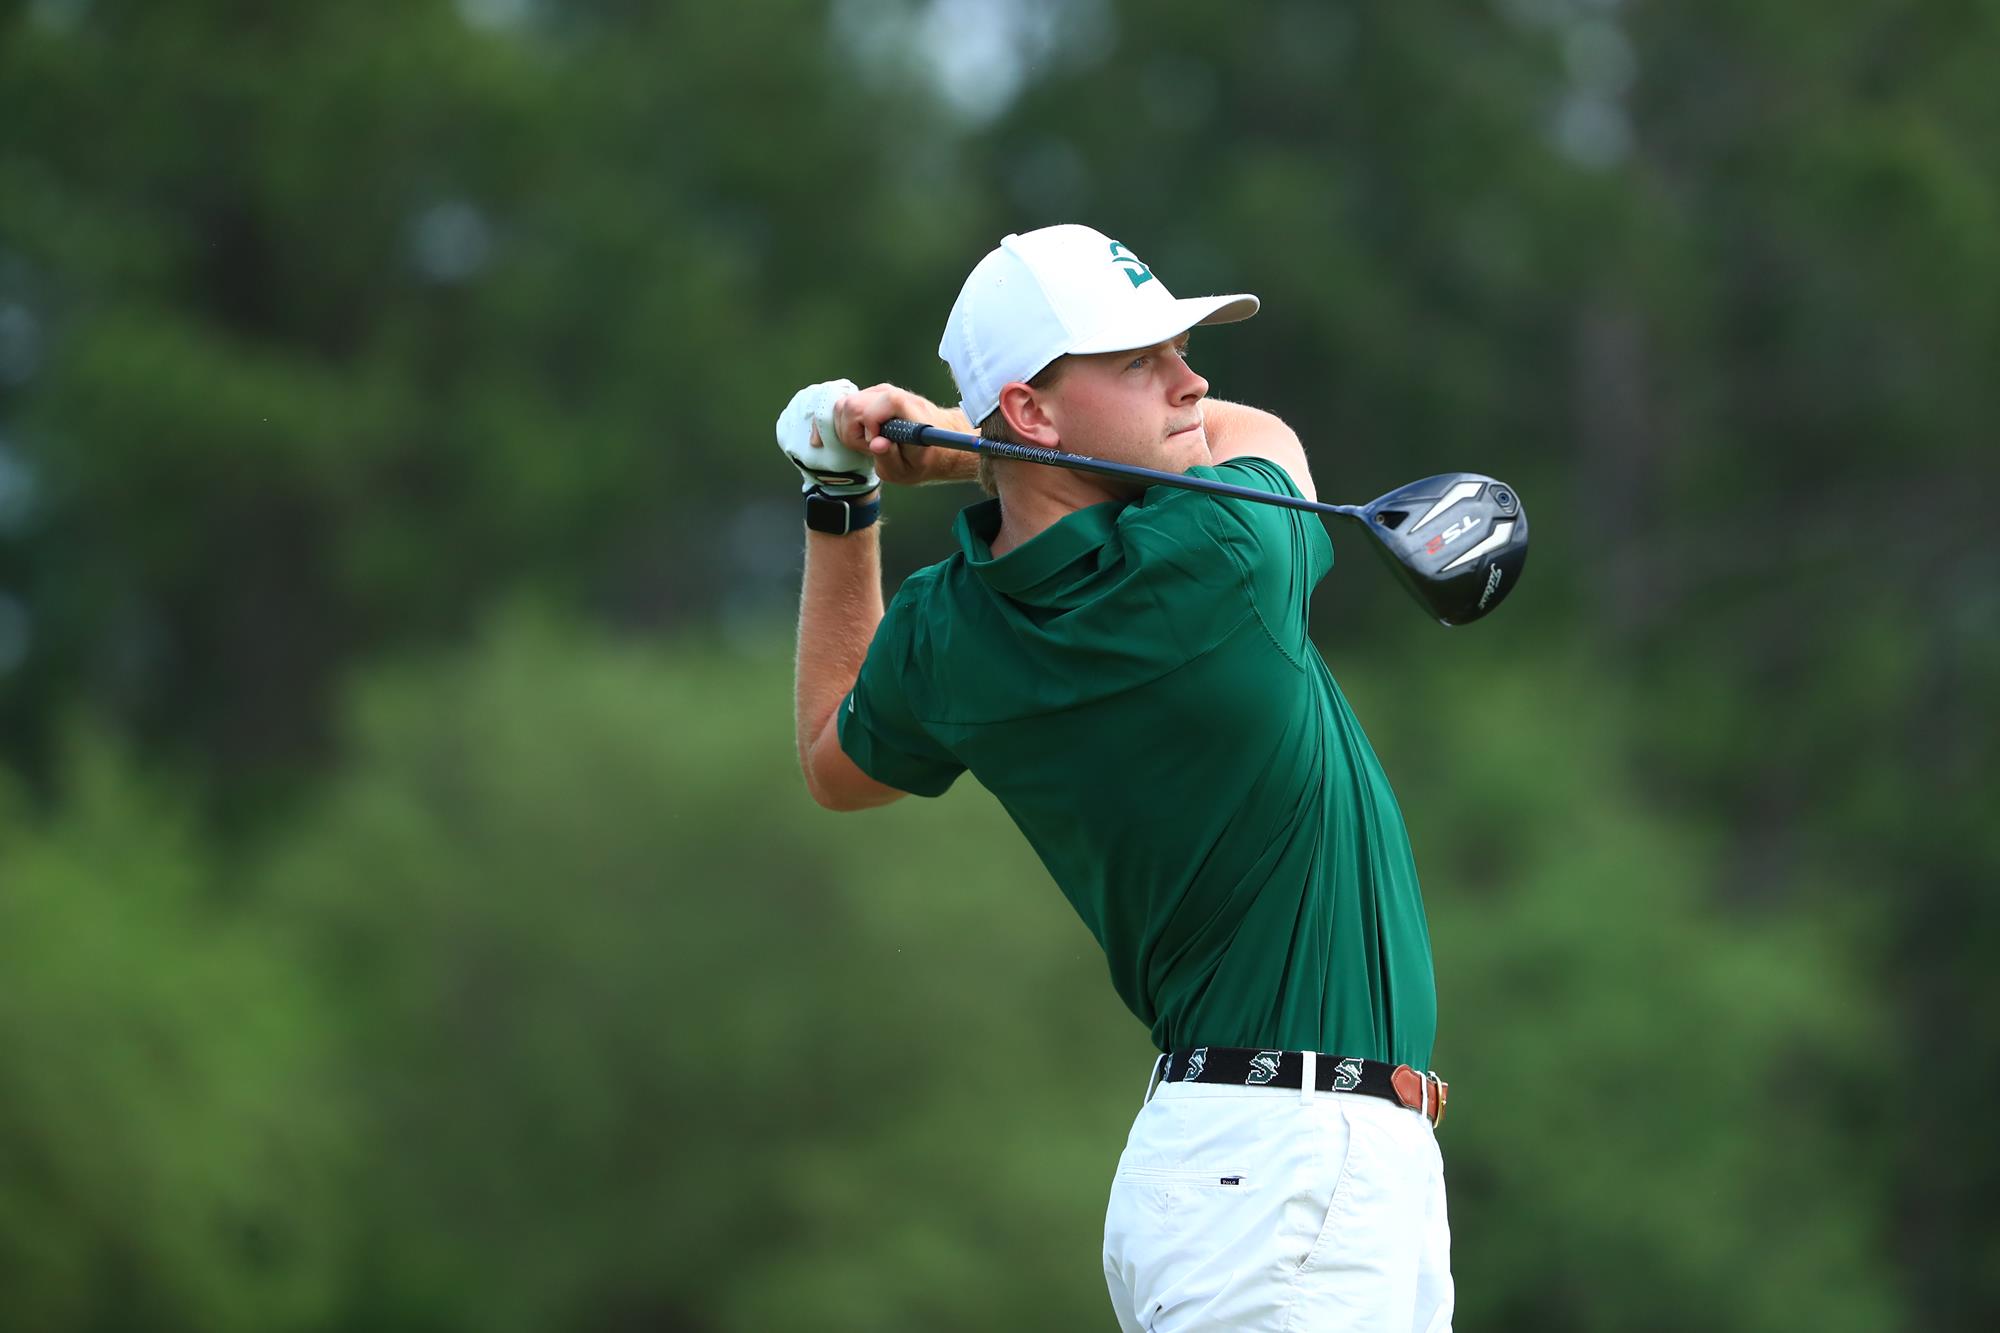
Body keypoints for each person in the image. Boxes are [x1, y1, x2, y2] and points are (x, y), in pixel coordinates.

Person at [777, 224, 1453, 1332]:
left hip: (1227, 1173)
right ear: (1033, 411)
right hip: (1292, 1166)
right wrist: (958, 446)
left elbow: (830, 762)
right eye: (1141, 362)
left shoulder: (948, 633)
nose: (1190, 381)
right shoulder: (1218, 555)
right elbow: (1263, 433)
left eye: (1180, 350)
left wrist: (838, 498)